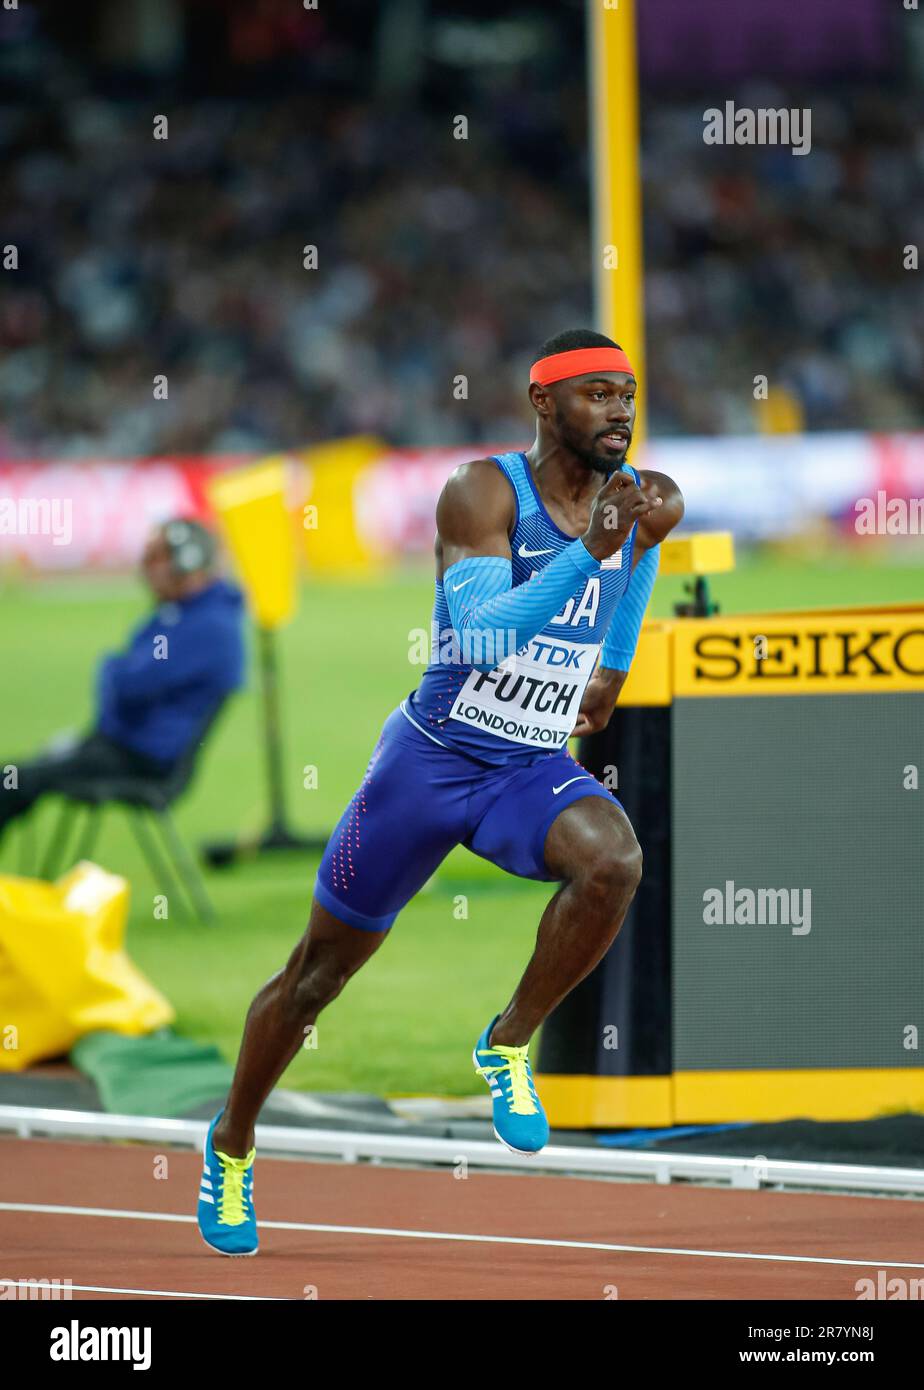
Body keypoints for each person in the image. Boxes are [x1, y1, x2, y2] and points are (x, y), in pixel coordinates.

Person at [196, 329, 684, 1257]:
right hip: (429, 763)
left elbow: (640, 560)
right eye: (595, 394)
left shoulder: (641, 504)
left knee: (613, 860)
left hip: (527, 767)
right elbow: (486, 637)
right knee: (315, 978)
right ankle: (231, 1142)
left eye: (627, 393)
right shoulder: (483, 492)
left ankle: (506, 1043)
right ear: (544, 403)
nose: (619, 410)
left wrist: (613, 665)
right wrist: (590, 554)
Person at [0, 519, 245, 842]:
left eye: (158, 561)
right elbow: (128, 678)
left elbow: (128, 685)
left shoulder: (206, 625)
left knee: (11, 781)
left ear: (186, 565)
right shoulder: (189, 614)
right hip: (125, 749)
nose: (149, 572)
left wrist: (112, 669)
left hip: (140, 760)